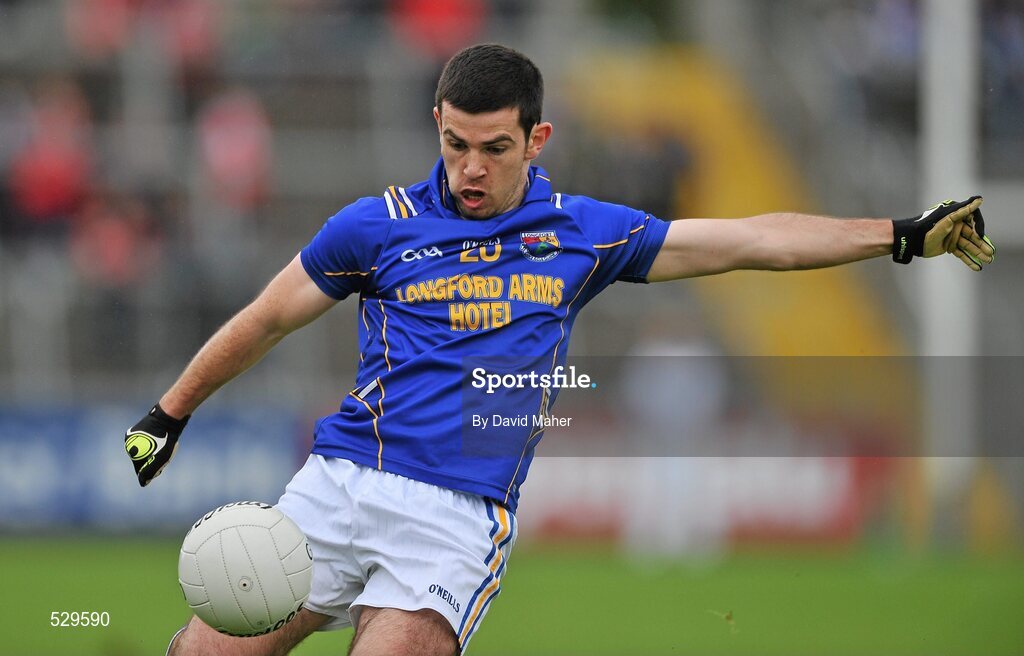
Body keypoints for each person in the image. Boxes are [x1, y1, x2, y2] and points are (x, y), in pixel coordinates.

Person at [124, 44, 995, 656]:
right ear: (437, 125)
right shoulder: (374, 225)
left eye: (493, 149)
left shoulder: (585, 235)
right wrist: (169, 413)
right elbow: (267, 317)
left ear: (536, 140)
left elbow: (752, 240)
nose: (470, 169)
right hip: (339, 483)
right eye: (455, 144)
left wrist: (898, 236)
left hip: (455, 518)